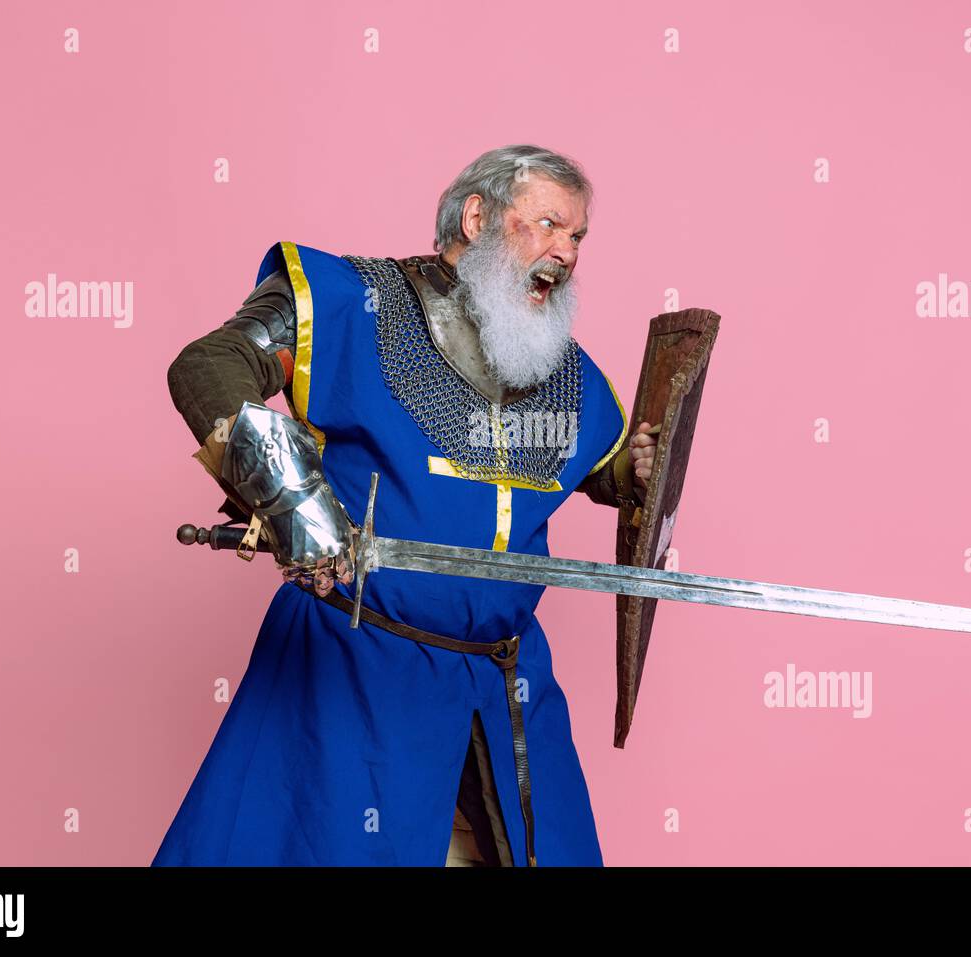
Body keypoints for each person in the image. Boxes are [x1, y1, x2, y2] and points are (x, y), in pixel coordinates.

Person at [153, 144, 657, 867]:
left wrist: (633, 472)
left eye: (577, 236)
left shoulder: (560, 368)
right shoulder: (353, 303)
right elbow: (208, 367)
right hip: (356, 672)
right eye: (548, 225)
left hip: (504, 691)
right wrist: (296, 503)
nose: (566, 252)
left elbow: (591, 466)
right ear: (478, 217)